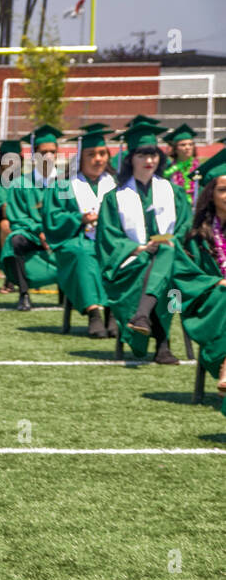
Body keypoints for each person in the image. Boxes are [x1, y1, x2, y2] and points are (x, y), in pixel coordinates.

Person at [96, 122, 192, 362]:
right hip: (132, 262)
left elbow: (185, 226)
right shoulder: (114, 197)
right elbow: (108, 237)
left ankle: (141, 316)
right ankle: (163, 344)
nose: (150, 160)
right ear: (131, 159)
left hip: (172, 256)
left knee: (167, 256)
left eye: (153, 154)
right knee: (163, 270)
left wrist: (171, 242)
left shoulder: (173, 191)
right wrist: (139, 247)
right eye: (143, 154)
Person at [44, 124, 116, 337]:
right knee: (83, 253)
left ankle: (113, 312)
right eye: (91, 154)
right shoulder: (65, 186)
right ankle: (93, 313)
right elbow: (54, 217)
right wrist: (80, 218)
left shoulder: (116, 184)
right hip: (76, 238)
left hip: (109, 240)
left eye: (102, 154)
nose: (98, 159)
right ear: (80, 158)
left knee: (118, 254)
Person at [173, 147, 226, 401]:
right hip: (205, 304)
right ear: (210, 195)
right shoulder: (194, 235)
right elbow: (182, 276)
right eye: (222, 190)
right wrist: (217, 281)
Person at [0, 134, 57, 311]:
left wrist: (53, 231)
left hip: (59, 233)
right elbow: (17, 217)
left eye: (52, 152)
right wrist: (39, 231)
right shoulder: (20, 183)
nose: (48, 156)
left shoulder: (65, 183)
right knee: (15, 240)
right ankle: (24, 293)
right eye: (43, 152)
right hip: (32, 234)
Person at [161, 124, 199, 202]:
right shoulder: (168, 169)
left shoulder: (199, 168)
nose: (187, 147)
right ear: (175, 148)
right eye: (183, 145)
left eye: (190, 144)